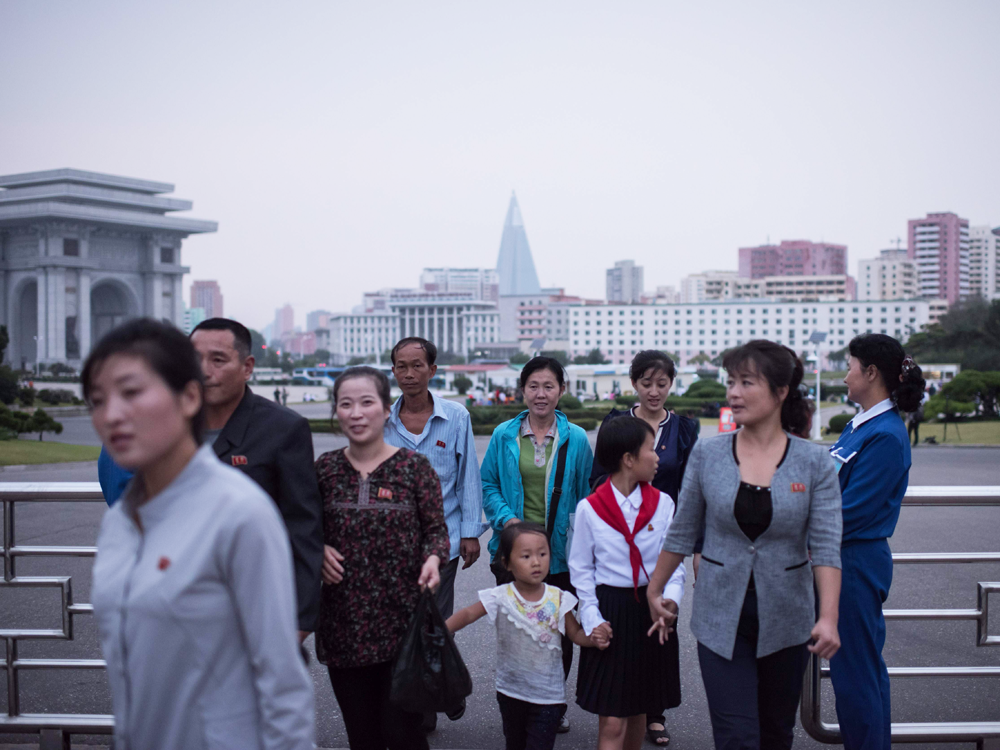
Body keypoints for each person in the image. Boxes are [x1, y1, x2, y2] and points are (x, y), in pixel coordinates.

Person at [86, 319, 314, 750]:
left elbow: (283, 684)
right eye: (98, 400)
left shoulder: (239, 512)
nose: (113, 414)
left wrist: (303, 616)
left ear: (187, 396)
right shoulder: (120, 523)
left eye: (133, 393)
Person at [647, 341, 843, 750]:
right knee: (737, 736)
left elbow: (826, 548)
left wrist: (827, 618)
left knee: (775, 734)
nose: (733, 392)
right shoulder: (708, 453)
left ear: (781, 391)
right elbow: (683, 529)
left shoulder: (814, 462)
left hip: (789, 619)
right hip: (720, 618)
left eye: (746, 382)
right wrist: (655, 588)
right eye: (731, 381)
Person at [316, 366, 449, 750]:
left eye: (366, 402)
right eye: (346, 404)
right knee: (363, 736)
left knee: (404, 733)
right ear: (337, 412)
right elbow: (303, 530)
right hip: (344, 627)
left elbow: (436, 531)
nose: (356, 413)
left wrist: (433, 560)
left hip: (403, 627)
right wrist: (317, 547)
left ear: (386, 409)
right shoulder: (324, 470)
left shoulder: (414, 468)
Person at [588, 350, 697, 747]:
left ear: (672, 384)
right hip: (620, 531)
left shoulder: (684, 428)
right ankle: (621, 708)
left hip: (666, 535)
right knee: (621, 626)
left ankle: (654, 712)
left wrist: (692, 546)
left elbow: (690, 488)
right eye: (647, 383)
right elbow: (600, 476)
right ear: (634, 383)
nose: (654, 391)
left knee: (660, 623)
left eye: (662, 383)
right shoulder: (618, 423)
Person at [190, 318, 324, 641]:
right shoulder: (168, 423)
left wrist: (299, 622)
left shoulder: (282, 429)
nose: (203, 370)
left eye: (218, 360)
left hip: (254, 604)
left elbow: (303, 528)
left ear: (247, 367)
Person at [481, 356, 594, 734]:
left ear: (561, 390)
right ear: (523, 390)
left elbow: (585, 495)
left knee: (558, 634)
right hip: (511, 551)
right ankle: (519, 703)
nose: (541, 394)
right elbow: (489, 485)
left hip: (559, 555)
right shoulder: (503, 435)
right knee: (517, 632)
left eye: (549, 386)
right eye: (534, 386)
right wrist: (508, 521)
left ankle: (550, 702)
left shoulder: (575, 438)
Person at [828, 335, 926, 750]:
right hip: (840, 559)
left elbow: (851, 512)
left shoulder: (884, 434)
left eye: (850, 365)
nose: (845, 374)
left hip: (854, 564)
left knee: (857, 676)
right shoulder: (861, 423)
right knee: (856, 671)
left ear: (870, 373)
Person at [385, 336, 487, 730]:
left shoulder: (456, 417)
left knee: (435, 625)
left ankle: (438, 693)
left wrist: (471, 533)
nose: (409, 374)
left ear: (432, 370)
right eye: (401, 366)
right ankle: (417, 702)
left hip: (441, 544)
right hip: (391, 546)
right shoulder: (383, 419)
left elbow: (467, 478)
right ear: (393, 370)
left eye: (416, 365)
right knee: (397, 625)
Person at [570, 417, 686, 750]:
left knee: (638, 709)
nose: (658, 457)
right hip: (611, 611)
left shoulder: (663, 505)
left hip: (652, 612)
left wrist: (671, 603)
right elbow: (581, 572)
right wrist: (592, 620)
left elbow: (672, 565)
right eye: (651, 449)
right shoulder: (590, 509)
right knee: (611, 718)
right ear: (628, 459)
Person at [447, 522, 606, 750]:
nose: (536, 562)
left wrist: (594, 639)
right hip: (511, 691)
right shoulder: (501, 595)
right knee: (515, 743)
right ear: (507, 563)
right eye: (526, 556)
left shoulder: (558, 598)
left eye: (542, 554)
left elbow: (576, 634)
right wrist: (442, 630)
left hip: (548, 695)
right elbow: (469, 613)